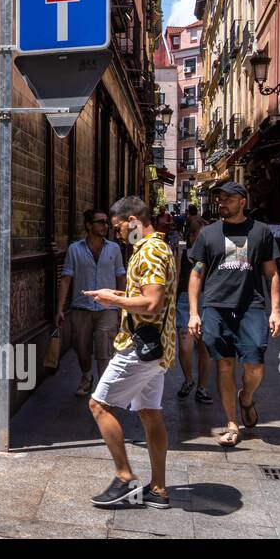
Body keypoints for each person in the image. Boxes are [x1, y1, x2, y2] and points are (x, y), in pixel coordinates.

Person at [82, 196, 178, 509]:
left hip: (139, 346)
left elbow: (151, 303)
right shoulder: (157, 247)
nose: (117, 234)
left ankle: (125, 477)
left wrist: (113, 301)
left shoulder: (149, 251)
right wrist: (117, 294)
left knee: (99, 405)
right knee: (150, 413)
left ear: (134, 220)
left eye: (119, 227)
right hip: (157, 347)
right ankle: (159, 489)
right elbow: (147, 294)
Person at [188, 181, 280, 448]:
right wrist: (194, 312)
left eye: (228, 199)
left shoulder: (261, 232)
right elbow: (196, 274)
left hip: (250, 306)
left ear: (242, 201)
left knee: (255, 362)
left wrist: (275, 310)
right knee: (225, 364)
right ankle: (232, 423)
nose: (222, 202)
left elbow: (272, 273)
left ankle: (247, 397)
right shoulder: (208, 234)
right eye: (220, 198)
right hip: (216, 307)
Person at [56, 209, 127, 398]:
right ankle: (87, 377)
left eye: (106, 222)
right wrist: (60, 309)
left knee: (104, 350)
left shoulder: (114, 249)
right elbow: (66, 278)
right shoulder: (75, 249)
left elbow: (121, 276)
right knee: (82, 349)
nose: (105, 226)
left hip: (108, 308)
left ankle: (103, 391)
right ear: (88, 225)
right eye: (100, 222)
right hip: (82, 307)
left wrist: (122, 305)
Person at [173, 207, 214, 405]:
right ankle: (189, 379)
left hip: (208, 299)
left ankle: (202, 388)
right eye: (199, 234)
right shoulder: (182, 251)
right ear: (191, 235)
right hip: (183, 299)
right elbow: (176, 276)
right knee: (186, 345)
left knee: (205, 346)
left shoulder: (214, 254)